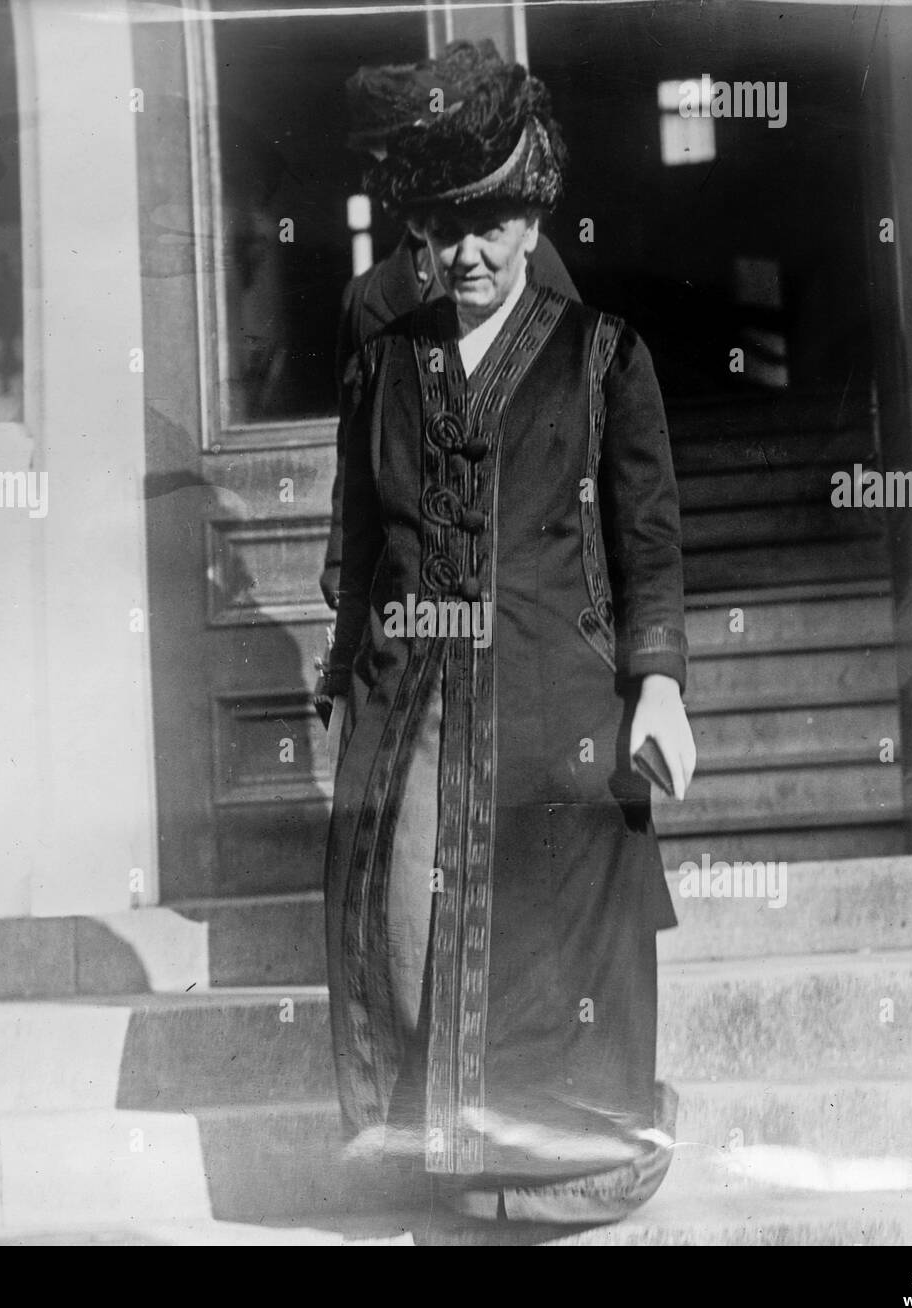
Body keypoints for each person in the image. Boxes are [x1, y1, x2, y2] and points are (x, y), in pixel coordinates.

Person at [320, 57, 696, 1225]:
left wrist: (660, 684)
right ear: (420, 237)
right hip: (413, 700)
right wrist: (343, 677)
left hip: (555, 695)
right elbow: (361, 533)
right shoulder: (384, 364)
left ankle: (561, 1174)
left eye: (492, 227)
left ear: (533, 224)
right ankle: (441, 1158)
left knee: (547, 935)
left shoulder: (604, 357)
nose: (468, 254)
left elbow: (648, 540)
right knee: (408, 924)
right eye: (444, 232)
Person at [317, 40, 579, 615]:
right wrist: (343, 573)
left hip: (514, 563)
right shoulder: (367, 299)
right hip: (412, 582)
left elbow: (574, 419)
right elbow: (355, 454)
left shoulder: (529, 262)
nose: (405, 167)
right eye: (387, 154)